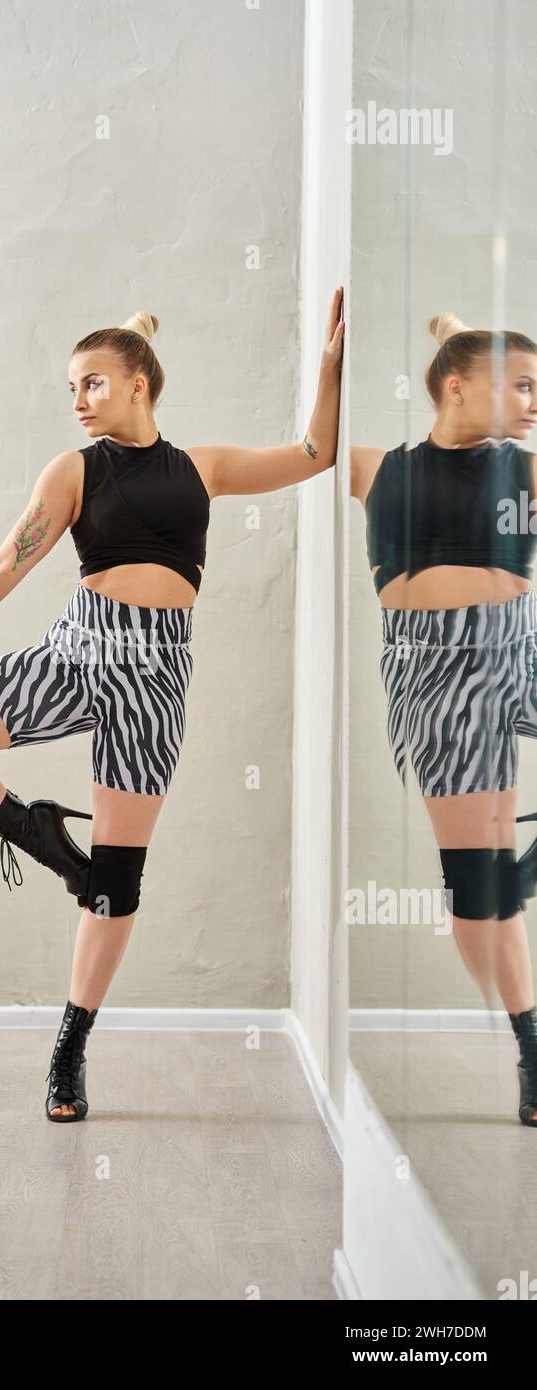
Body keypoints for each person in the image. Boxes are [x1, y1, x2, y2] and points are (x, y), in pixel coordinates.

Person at [0, 289, 344, 1121]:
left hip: (156, 680)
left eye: (92, 382)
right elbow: (3, 566)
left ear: (138, 383)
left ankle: (68, 1053)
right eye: (71, 389)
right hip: (77, 652)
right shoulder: (73, 471)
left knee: (116, 885)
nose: (79, 400)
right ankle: (37, 835)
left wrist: (331, 369)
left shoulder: (204, 467)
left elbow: (314, 453)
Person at [351, 311, 537, 1126]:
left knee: (497, 881)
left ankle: (517, 875)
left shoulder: (527, 471)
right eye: (522, 385)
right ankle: (530, 1048)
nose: (534, 401)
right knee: (476, 886)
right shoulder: (377, 467)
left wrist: (489, 363)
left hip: (519, 644)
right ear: (453, 385)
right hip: (432, 669)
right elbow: (306, 448)